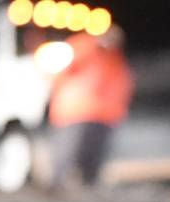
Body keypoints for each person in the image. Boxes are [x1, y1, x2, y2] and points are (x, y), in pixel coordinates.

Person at [48, 26, 134, 189]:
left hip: (104, 115)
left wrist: (118, 110)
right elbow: (59, 72)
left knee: (93, 157)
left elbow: (122, 84)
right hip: (76, 112)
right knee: (67, 153)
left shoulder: (114, 58)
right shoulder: (82, 48)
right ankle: (56, 187)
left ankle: (88, 188)